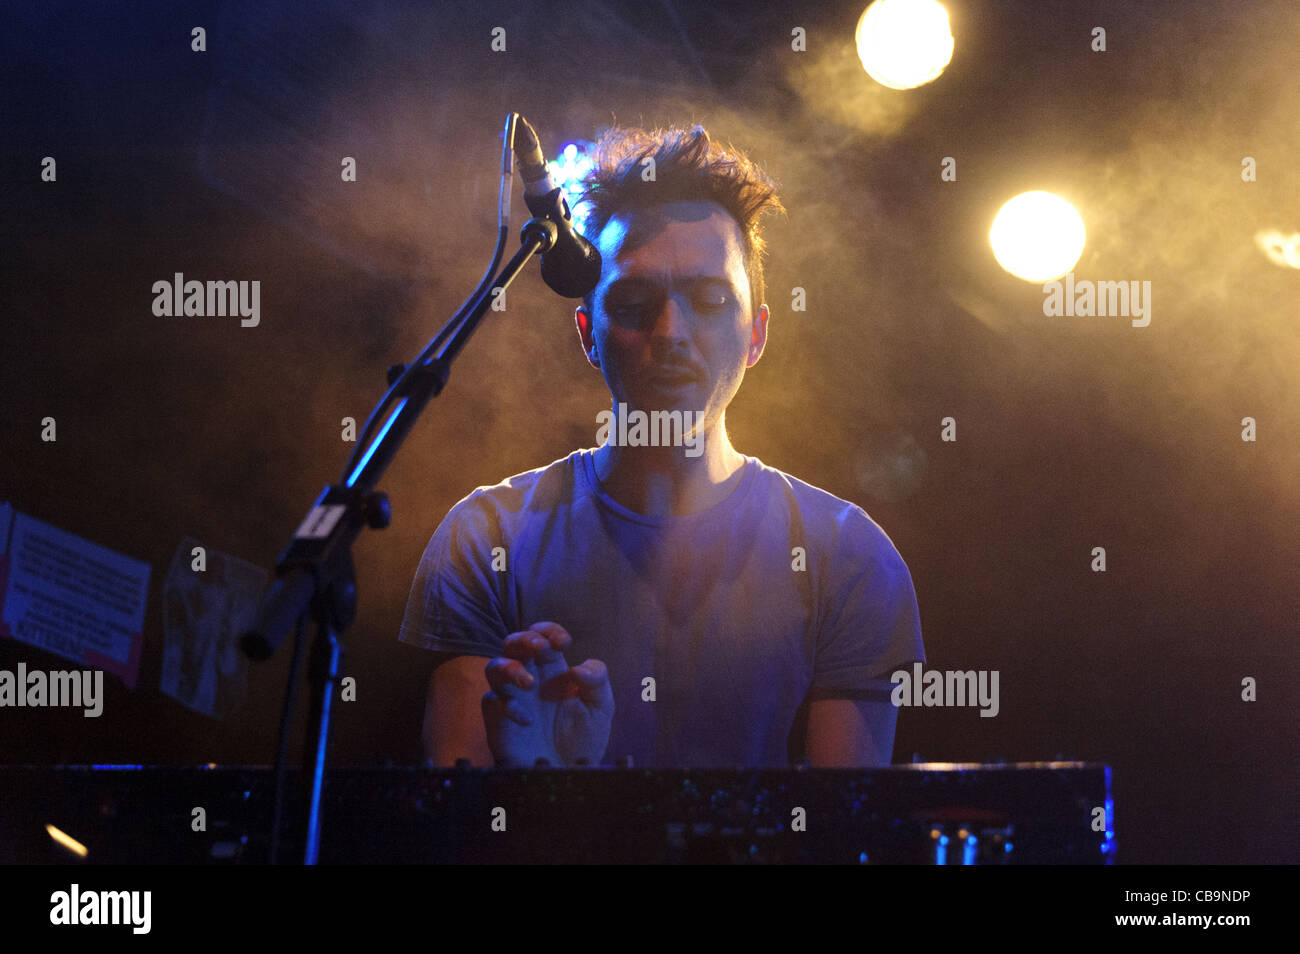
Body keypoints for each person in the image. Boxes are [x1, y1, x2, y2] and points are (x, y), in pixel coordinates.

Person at [399, 124, 925, 768]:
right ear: (588, 334)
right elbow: (455, 823)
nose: (672, 331)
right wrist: (544, 782)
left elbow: (843, 838)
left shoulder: (849, 555)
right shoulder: (485, 537)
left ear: (756, 334)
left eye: (708, 299)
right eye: (635, 302)